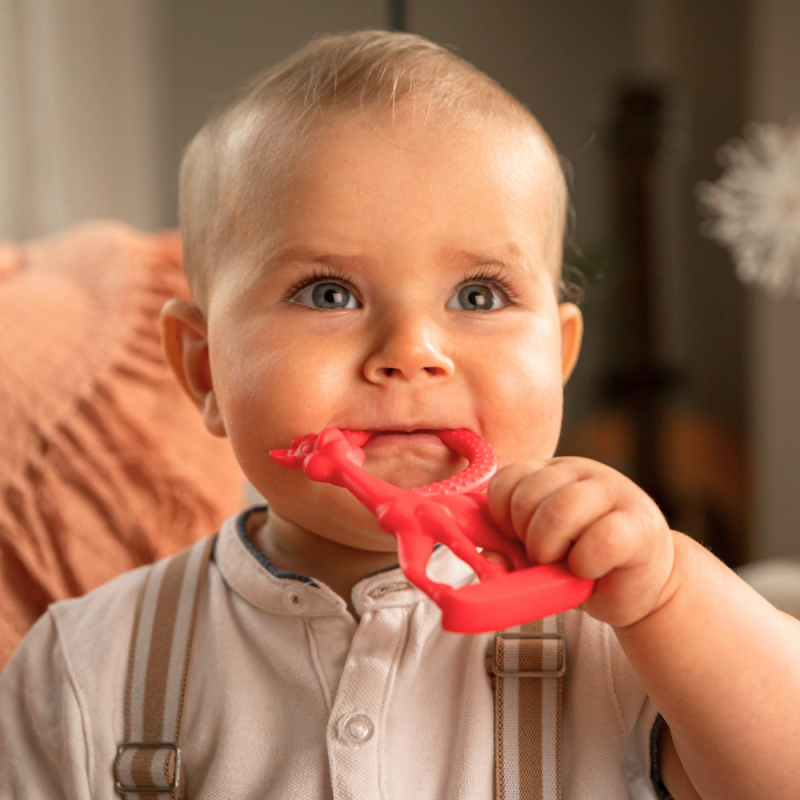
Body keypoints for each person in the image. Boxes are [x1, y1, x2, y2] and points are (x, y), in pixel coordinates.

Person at [1, 31, 798, 800]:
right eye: (328, 293)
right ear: (205, 367)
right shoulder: (88, 663)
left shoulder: (627, 631)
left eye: (478, 296)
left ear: (557, 359)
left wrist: (666, 595)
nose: (413, 351)